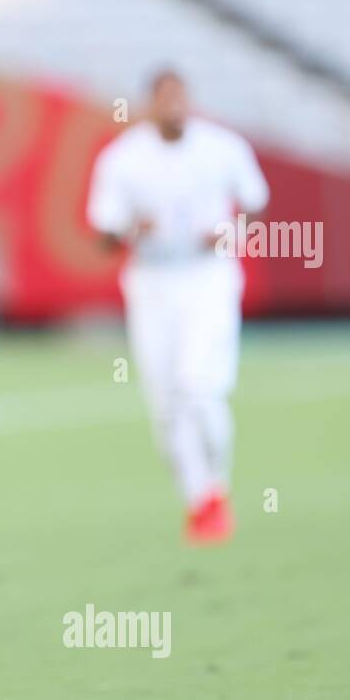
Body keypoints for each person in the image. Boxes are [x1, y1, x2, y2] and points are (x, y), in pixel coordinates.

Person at [87, 69, 269, 544]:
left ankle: (217, 486)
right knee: (166, 403)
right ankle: (199, 500)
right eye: (164, 99)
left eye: (180, 98)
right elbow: (104, 233)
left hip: (208, 278)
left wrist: (230, 230)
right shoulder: (124, 158)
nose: (174, 107)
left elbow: (255, 202)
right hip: (152, 285)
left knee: (200, 387)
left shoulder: (221, 147)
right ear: (149, 104)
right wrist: (131, 230)